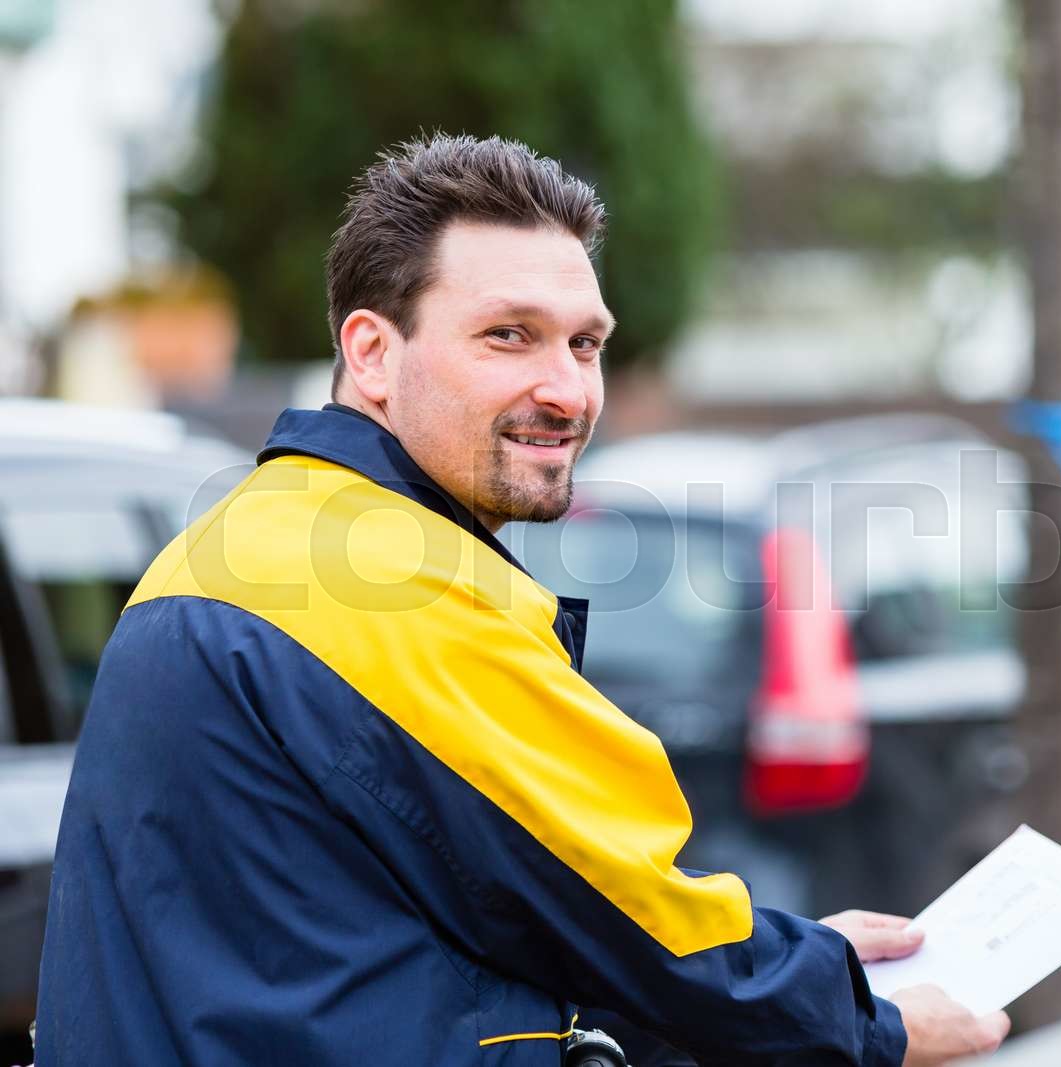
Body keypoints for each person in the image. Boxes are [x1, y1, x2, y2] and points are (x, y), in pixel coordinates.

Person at [34, 134, 1010, 1066]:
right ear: (371, 352)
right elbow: (636, 915)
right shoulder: (382, 581)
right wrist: (859, 1018)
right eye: (510, 336)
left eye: (584, 344)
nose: (566, 389)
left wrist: (790, 960)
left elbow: (450, 937)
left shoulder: (250, 538)